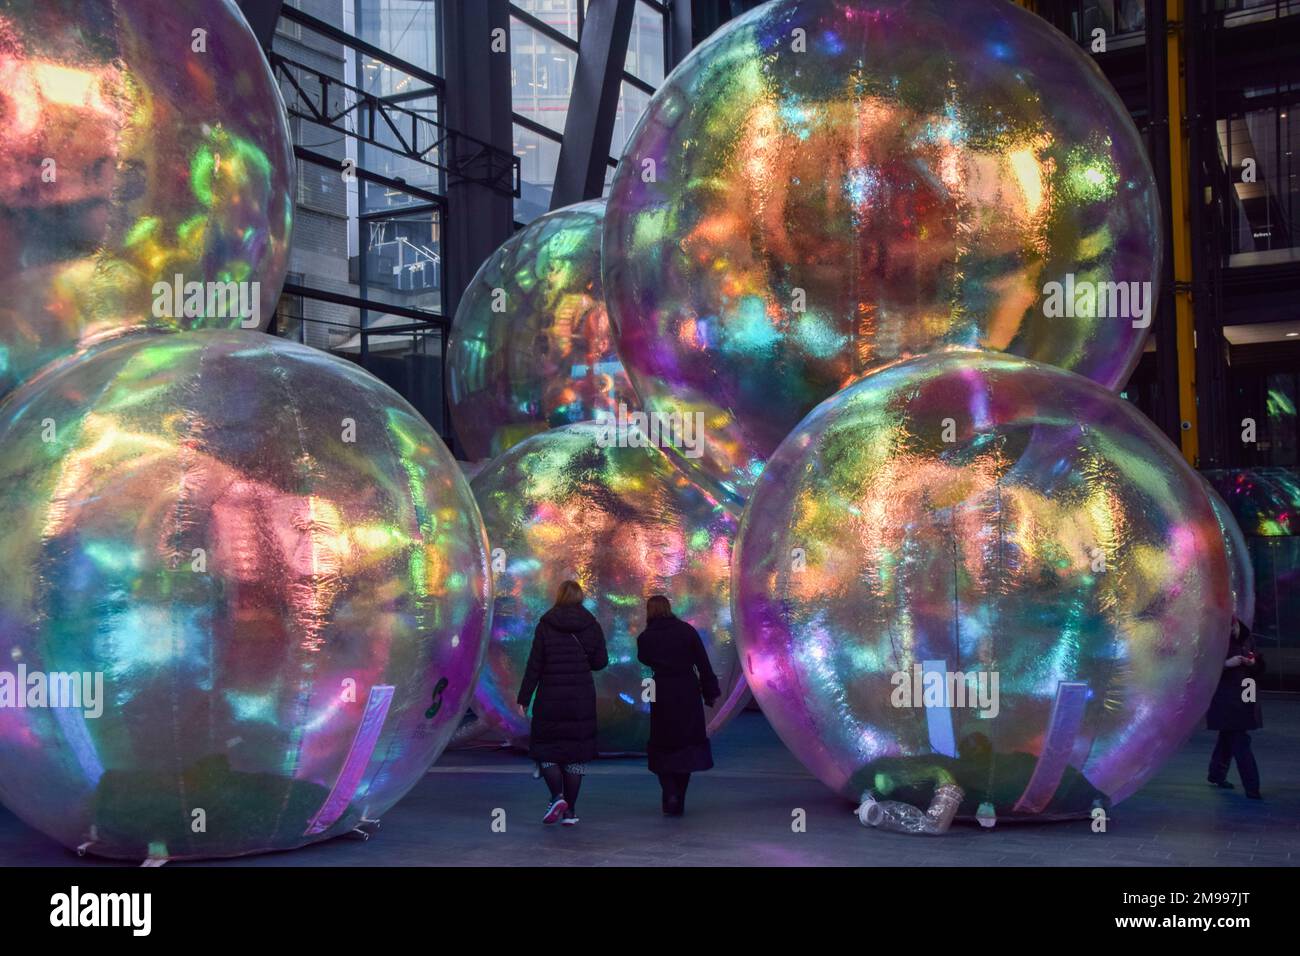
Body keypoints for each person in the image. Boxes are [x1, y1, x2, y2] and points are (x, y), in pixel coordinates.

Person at [517, 580, 608, 825]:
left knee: (547, 750)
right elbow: (601, 662)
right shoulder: (591, 625)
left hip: (550, 698)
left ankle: (557, 796)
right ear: (580, 597)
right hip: (580, 700)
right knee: (575, 756)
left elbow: (534, 665)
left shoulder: (546, 624)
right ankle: (570, 813)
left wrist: (524, 698)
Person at [635, 595, 720, 816]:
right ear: (669, 608)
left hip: (661, 690)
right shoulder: (686, 631)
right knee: (687, 744)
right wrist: (710, 692)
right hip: (687, 690)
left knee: (662, 742)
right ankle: (679, 795)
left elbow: (644, 658)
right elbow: (703, 662)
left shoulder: (646, 637)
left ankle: (669, 790)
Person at [1206, 617, 1264, 799]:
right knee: (1240, 739)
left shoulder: (1247, 638)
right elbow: (1204, 668)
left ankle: (1216, 774)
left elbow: (1260, 665)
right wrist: (1226, 664)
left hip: (1246, 693)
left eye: (1233, 626)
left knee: (1229, 735)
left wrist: (1253, 663)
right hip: (1226, 698)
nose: (1232, 631)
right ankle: (1251, 786)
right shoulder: (1216, 639)